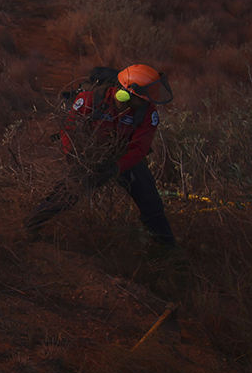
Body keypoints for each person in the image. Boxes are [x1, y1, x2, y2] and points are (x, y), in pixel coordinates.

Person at [24, 65, 181, 260]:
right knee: (66, 193)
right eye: (142, 98)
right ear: (125, 93)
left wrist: (116, 168)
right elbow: (70, 129)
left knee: (150, 200)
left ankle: (167, 249)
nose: (146, 103)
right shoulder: (90, 99)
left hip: (124, 159)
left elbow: (139, 149)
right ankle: (29, 227)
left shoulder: (147, 113)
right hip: (92, 156)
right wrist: (72, 156)